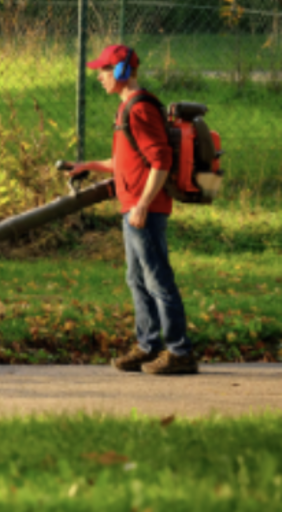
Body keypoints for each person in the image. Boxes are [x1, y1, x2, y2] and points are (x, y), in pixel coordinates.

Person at [68, 45, 198, 375]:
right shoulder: (127, 108)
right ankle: (147, 345)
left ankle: (179, 351)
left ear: (121, 71)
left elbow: (161, 161)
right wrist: (89, 165)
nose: (99, 77)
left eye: (104, 70)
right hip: (134, 207)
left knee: (157, 279)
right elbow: (125, 161)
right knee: (137, 279)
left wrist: (142, 204)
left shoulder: (139, 109)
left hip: (145, 210)